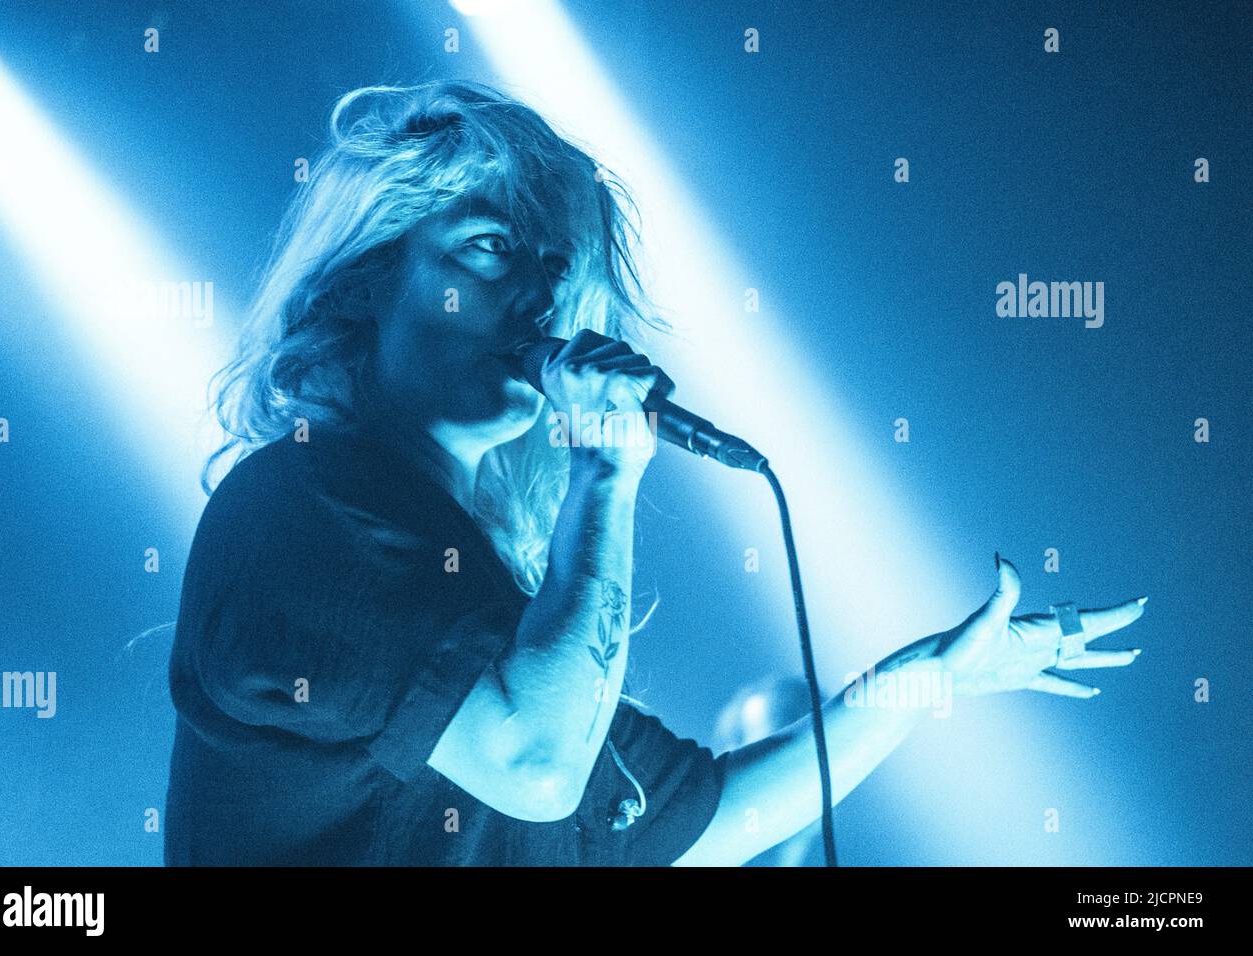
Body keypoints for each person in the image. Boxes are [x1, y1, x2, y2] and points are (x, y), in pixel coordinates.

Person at [163, 79, 1149, 867]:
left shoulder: (485, 586)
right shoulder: (299, 503)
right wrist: (603, 468)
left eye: (554, 270)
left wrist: (916, 684)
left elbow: (708, 819)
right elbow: (538, 761)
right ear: (372, 272)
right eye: (491, 248)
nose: (540, 299)